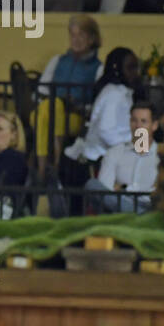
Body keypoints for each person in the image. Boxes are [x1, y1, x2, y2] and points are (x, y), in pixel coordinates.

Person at [57, 47, 141, 215]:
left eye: (136, 67)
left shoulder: (123, 92)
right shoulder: (113, 94)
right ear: (117, 70)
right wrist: (132, 143)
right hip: (96, 161)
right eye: (130, 67)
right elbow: (106, 131)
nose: (135, 72)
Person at [34, 14, 103, 177]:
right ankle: (54, 165)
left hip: (74, 119)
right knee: (51, 106)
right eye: (73, 35)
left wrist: (77, 106)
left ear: (92, 38)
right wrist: (52, 101)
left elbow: (97, 106)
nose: (76, 39)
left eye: (82, 35)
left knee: (52, 108)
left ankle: (43, 169)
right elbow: (40, 91)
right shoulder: (57, 60)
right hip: (45, 114)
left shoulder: (99, 68)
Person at [84, 102, 159, 213]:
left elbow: (162, 193)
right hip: (120, 206)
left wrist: (122, 188)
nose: (138, 126)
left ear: (154, 125)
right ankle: (139, 217)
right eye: (134, 120)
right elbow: (106, 191)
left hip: (151, 207)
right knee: (92, 185)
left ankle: (139, 216)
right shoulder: (115, 152)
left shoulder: (162, 155)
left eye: (143, 121)